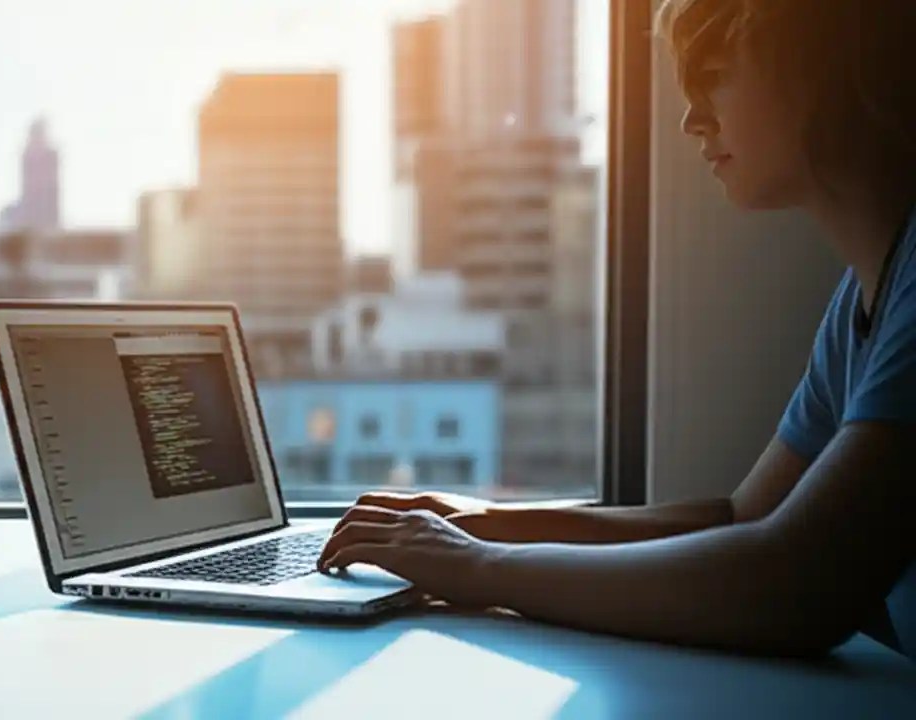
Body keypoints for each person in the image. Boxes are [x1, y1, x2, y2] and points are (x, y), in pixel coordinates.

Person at [318, 0, 916, 657]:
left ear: (824, 69)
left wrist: (478, 567)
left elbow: (793, 582)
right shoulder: (862, 302)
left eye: (714, 73)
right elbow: (744, 519)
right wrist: (479, 524)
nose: (692, 118)